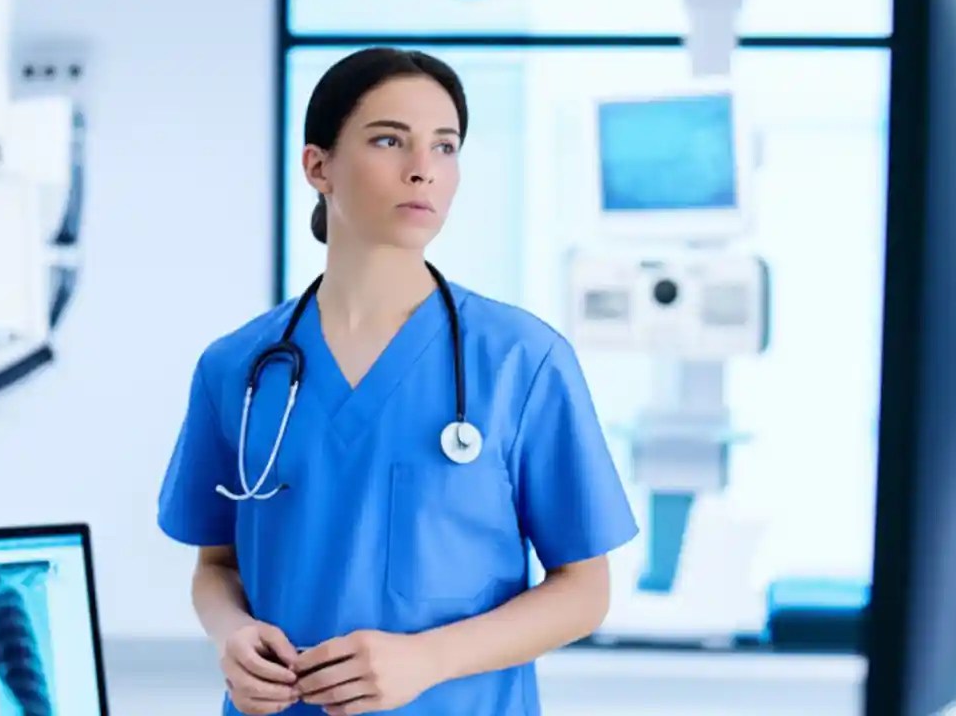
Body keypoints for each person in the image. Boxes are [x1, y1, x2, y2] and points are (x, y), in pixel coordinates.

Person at [156, 47, 638, 716]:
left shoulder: (522, 362)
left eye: (445, 147)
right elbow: (218, 568)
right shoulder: (236, 368)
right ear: (317, 165)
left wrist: (429, 660)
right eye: (390, 140)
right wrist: (230, 633)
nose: (423, 169)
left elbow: (585, 589)